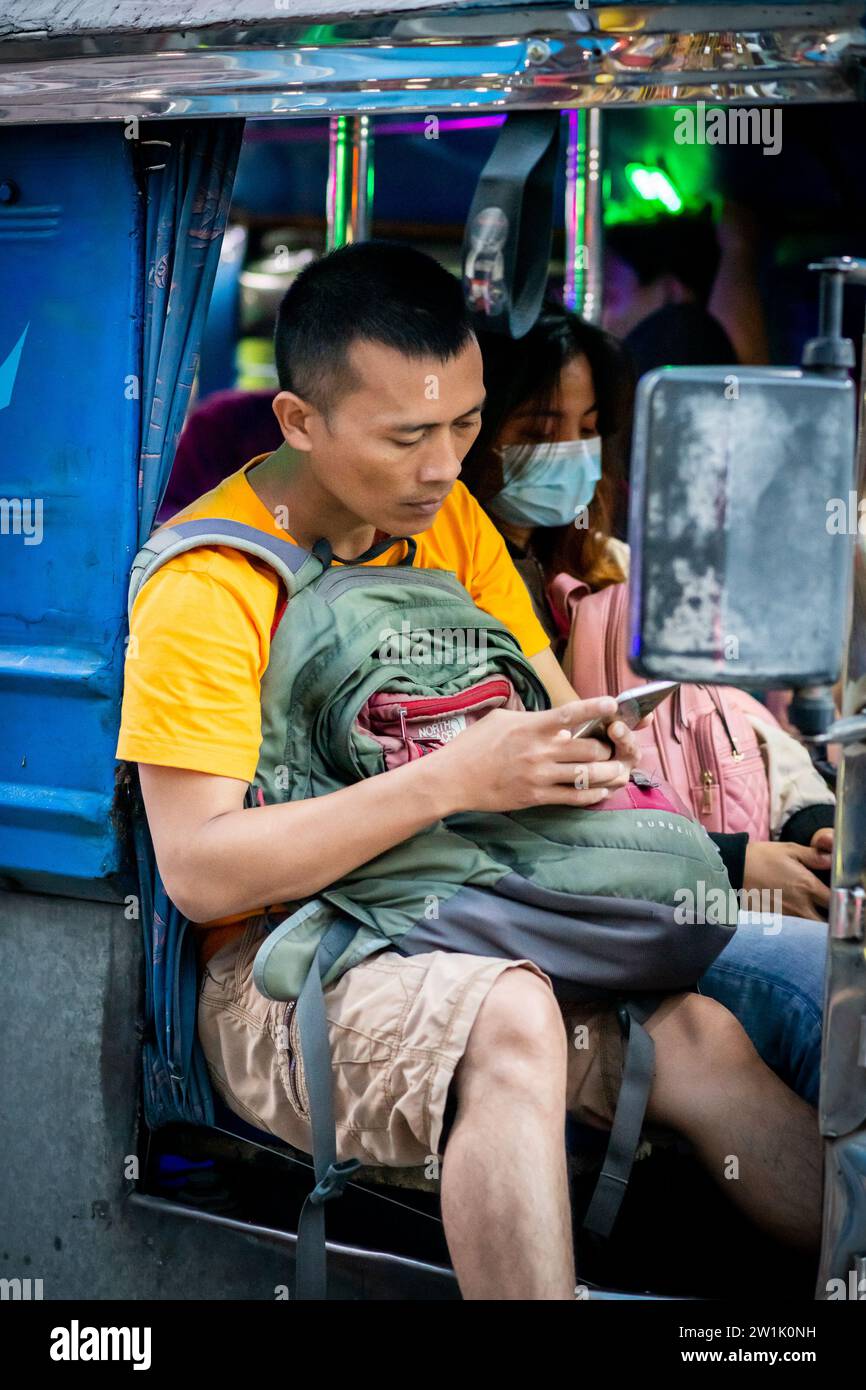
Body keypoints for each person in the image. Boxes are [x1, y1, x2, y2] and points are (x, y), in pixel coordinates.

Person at [118, 242, 821, 1299]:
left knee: (702, 1033)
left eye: (462, 425)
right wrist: (452, 780)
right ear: (299, 423)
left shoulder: (442, 518)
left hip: (472, 903)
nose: (445, 466)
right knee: (510, 1018)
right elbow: (203, 873)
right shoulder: (208, 585)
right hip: (284, 968)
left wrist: (586, 748)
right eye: (406, 436)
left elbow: (546, 704)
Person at [461, 301, 835, 1106]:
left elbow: (739, 713)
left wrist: (807, 821)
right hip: (608, 914)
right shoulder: (454, 605)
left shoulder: (620, 572)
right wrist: (734, 869)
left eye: (589, 424)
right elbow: (526, 820)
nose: (569, 451)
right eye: (539, 423)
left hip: (718, 872)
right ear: (472, 430)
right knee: (832, 999)